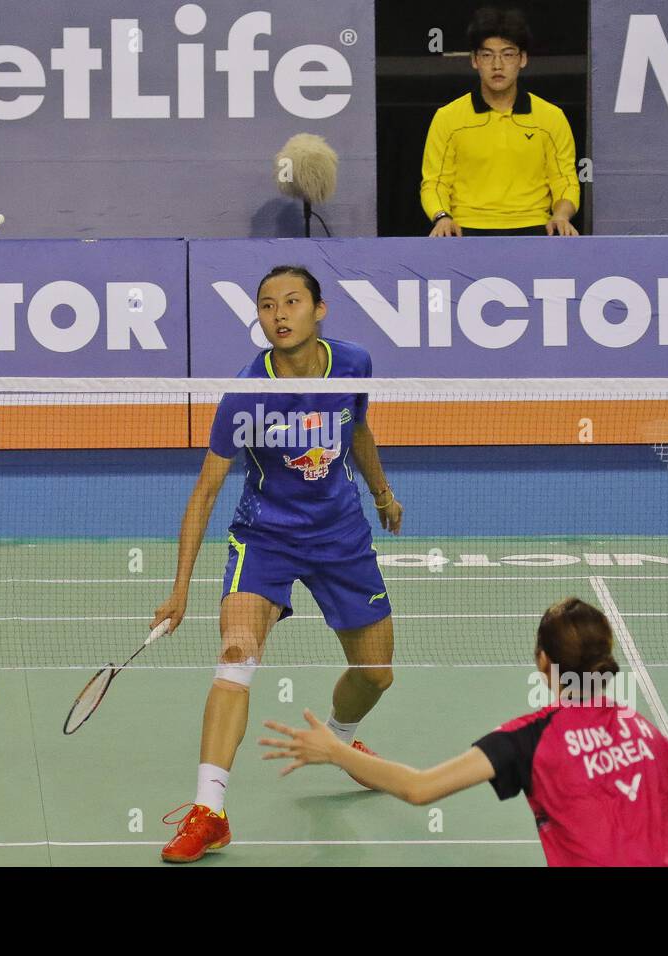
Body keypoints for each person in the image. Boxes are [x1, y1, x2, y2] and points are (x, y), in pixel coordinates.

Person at [152, 265, 404, 863]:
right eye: (267, 306)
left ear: (321, 310)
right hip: (264, 537)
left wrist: (383, 493)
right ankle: (209, 811)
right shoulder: (246, 394)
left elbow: (358, 427)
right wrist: (180, 588)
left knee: (376, 674)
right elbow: (207, 490)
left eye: (292, 302)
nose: (279, 314)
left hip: (340, 534)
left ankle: (341, 742)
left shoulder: (353, 363)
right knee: (235, 659)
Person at [260, 597, 668, 867]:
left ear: (543, 663)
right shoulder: (644, 733)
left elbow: (419, 788)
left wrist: (335, 749)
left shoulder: (528, 739)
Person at [420, 7, 580, 238]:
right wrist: (442, 217)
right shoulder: (448, 118)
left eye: (507, 54)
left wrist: (561, 216)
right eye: (487, 55)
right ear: (475, 60)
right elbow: (435, 182)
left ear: (522, 59)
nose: (497, 65)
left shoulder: (550, 117)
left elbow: (565, 180)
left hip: (534, 228)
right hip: (465, 230)